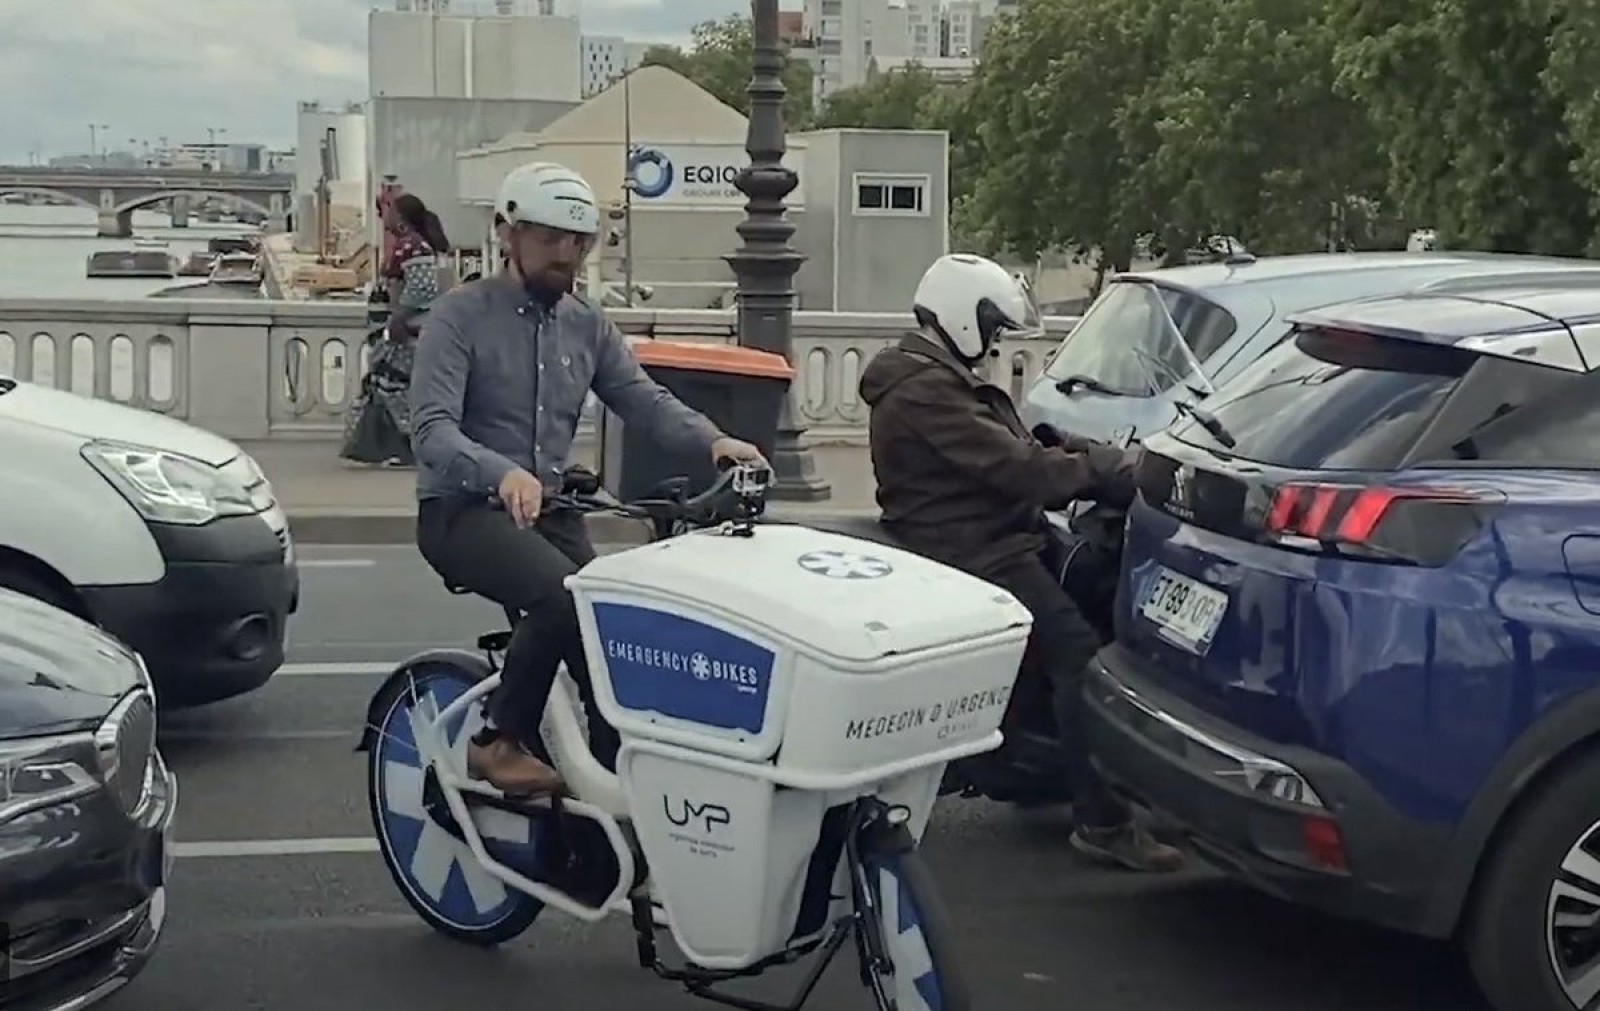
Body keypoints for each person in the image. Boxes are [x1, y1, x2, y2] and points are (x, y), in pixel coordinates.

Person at [409, 161, 765, 796]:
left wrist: (717, 443)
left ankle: (615, 791)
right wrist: (504, 473)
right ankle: (499, 740)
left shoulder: (586, 323)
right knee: (562, 595)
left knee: (610, 636)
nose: (565, 255)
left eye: (578, 242)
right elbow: (431, 432)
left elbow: (643, 400)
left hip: (548, 508)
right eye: (549, 238)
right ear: (506, 232)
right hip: (463, 511)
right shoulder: (458, 316)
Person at [857, 253, 1184, 873]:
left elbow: (1018, 444)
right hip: (975, 550)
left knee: (1091, 587)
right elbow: (1019, 472)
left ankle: (1057, 767)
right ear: (964, 318)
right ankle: (1104, 822)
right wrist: (1110, 472)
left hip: (996, 535)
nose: (997, 342)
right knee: (1078, 657)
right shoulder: (924, 391)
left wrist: (1079, 447)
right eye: (995, 327)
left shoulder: (938, 375)